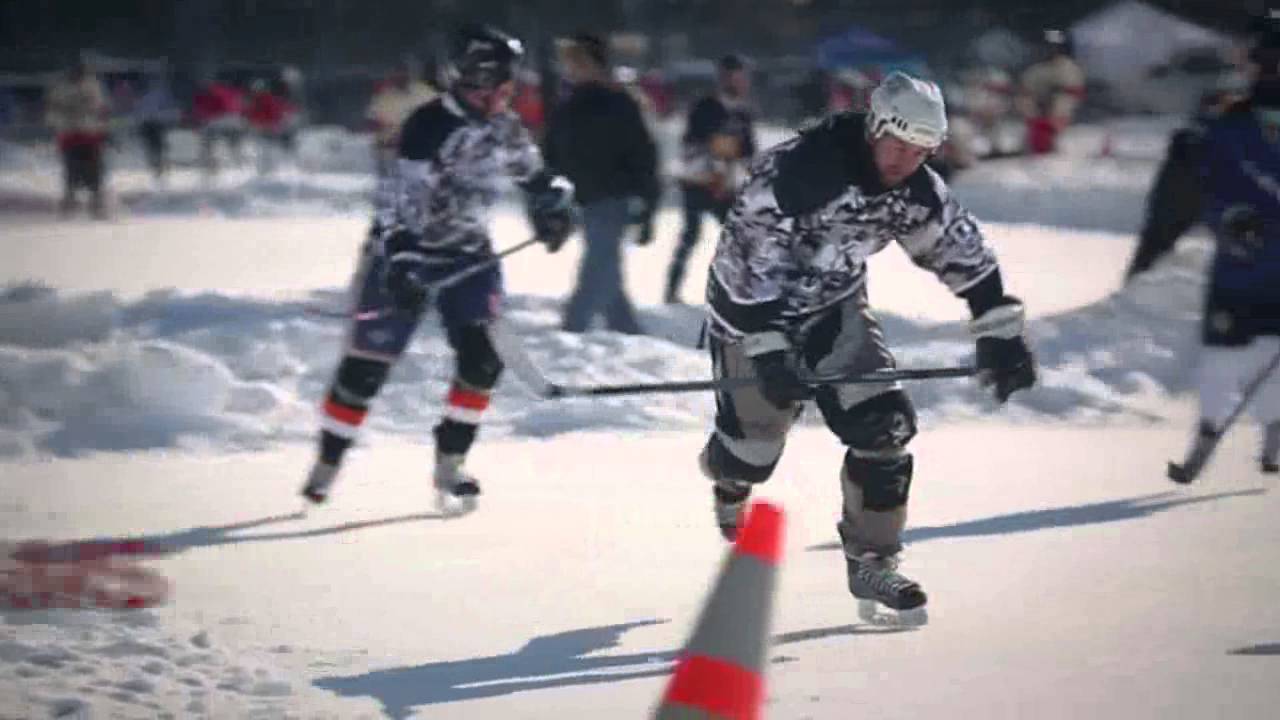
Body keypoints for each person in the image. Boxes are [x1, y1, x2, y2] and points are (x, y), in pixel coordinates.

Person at [697, 71, 1036, 616]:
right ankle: (730, 482)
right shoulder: (799, 173)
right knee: (753, 453)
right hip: (751, 312)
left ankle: (873, 560)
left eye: (921, 151)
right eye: (898, 145)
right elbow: (745, 262)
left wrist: (996, 323)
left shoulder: (915, 188)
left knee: (884, 427)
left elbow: (956, 245)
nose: (906, 160)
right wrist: (767, 348)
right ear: (875, 128)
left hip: (836, 309)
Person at [301, 25, 578, 513]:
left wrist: (555, 205)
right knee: (367, 369)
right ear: (474, 78)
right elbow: (400, 202)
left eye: (510, 83)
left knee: (482, 360)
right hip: (404, 253)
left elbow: (537, 176)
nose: (508, 92)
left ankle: (450, 466)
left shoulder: (504, 127)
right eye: (501, 82)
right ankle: (327, 462)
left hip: (470, 257)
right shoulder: (428, 125)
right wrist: (404, 265)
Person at [1168, 30, 1280, 483]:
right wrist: (1228, 218)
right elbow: (1207, 185)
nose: (1272, 71)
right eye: (1265, 61)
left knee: (1272, 354)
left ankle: (1274, 433)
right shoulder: (1228, 124)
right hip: (1239, 265)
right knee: (1220, 355)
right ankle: (1206, 434)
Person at [542, 32, 659, 334]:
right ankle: (626, 329)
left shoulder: (618, 102)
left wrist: (648, 203)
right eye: (568, 62)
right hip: (580, 199)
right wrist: (548, 203)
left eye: (576, 61)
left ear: (594, 63)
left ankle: (572, 327)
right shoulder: (567, 105)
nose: (570, 68)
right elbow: (551, 155)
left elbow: (643, 155)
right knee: (607, 269)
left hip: (611, 198)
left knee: (597, 266)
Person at [665, 53, 757, 304]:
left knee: (738, 237)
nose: (741, 83)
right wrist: (717, 157)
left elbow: (748, 150)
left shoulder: (743, 112)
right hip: (698, 181)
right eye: (736, 77)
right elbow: (692, 142)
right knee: (690, 235)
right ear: (723, 78)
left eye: (743, 78)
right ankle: (671, 290)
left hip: (725, 185)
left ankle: (737, 292)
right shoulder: (705, 107)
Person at [45, 59, 110, 218]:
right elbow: (52, 111)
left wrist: (102, 129)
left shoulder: (92, 87)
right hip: (70, 135)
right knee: (72, 170)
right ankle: (71, 201)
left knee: (93, 170)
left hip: (89, 135)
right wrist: (59, 121)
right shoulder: (61, 89)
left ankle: (96, 202)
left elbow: (100, 109)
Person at [366, 57, 438, 177]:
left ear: (409, 73)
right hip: (390, 154)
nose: (400, 75)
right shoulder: (384, 96)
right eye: (396, 72)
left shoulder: (426, 93)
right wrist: (383, 128)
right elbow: (370, 122)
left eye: (403, 71)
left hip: (421, 154)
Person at [1017, 29, 1085, 155]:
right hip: (1039, 111)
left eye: (1054, 47)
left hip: (1063, 115)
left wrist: (1055, 94)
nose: (1051, 50)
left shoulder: (1068, 67)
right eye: (1047, 47)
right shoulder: (1035, 70)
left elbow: (1074, 91)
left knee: (1063, 101)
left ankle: (1056, 136)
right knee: (1025, 102)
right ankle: (1037, 135)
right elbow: (1025, 91)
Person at [134, 74, 180, 184]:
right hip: (150, 124)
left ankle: (160, 168)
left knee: (157, 148)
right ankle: (157, 168)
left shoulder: (158, 95)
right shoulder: (146, 95)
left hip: (156, 124)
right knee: (154, 148)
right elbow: (139, 110)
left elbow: (168, 108)